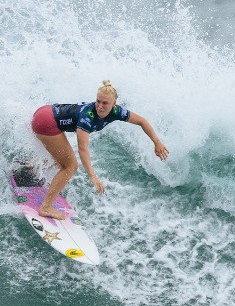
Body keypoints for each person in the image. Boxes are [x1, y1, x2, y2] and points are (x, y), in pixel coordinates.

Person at [29, 80, 169, 220]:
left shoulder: (117, 111)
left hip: (46, 113)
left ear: (114, 104)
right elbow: (82, 149)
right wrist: (93, 177)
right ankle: (46, 207)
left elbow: (142, 121)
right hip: (46, 121)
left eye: (105, 103)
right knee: (70, 166)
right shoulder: (87, 117)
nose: (100, 106)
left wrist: (157, 142)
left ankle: (32, 167)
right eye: (98, 101)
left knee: (63, 159)